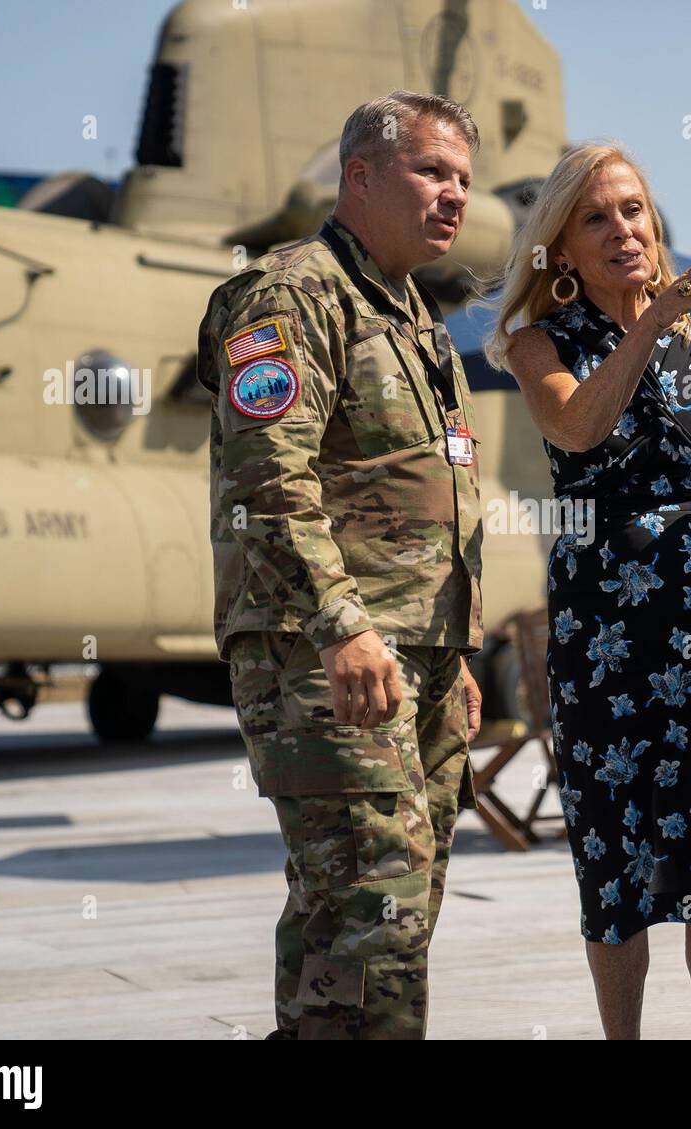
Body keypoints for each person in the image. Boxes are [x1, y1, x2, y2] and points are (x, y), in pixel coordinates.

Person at [197, 91, 484, 1040]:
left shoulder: (415, 316)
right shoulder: (292, 294)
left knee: (379, 917)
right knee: (375, 903)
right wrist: (344, 624)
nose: (455, 197)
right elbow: (266, 484)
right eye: (433, 172)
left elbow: (425, 494)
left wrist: (457, 650)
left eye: (464, 182)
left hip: (419, 658)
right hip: (326, 651)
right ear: (358, 176)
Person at [484, 143, 691, 1040]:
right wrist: (650, 325)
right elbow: (579, 428)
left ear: (653, 223)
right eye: (594, 218)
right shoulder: (540, 343)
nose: (621, 229)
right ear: (561, 251)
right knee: (613, 866)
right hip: (603, 639)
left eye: (632, 210)